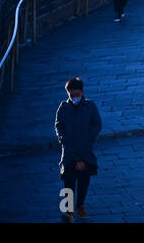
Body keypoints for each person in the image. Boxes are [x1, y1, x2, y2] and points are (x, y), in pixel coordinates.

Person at [55, 77, 102, 223]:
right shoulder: (63, 107)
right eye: (72, 95)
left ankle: (80, 205)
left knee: (83, 182)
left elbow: (97, 124)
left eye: (77, 94)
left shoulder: (89, 106)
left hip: (85, 150)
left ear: (82, 92)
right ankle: (69, 210)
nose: (75, 97)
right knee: (68, 183)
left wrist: (89, 139)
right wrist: (63, 138)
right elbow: (58, 125)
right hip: (69, 151)